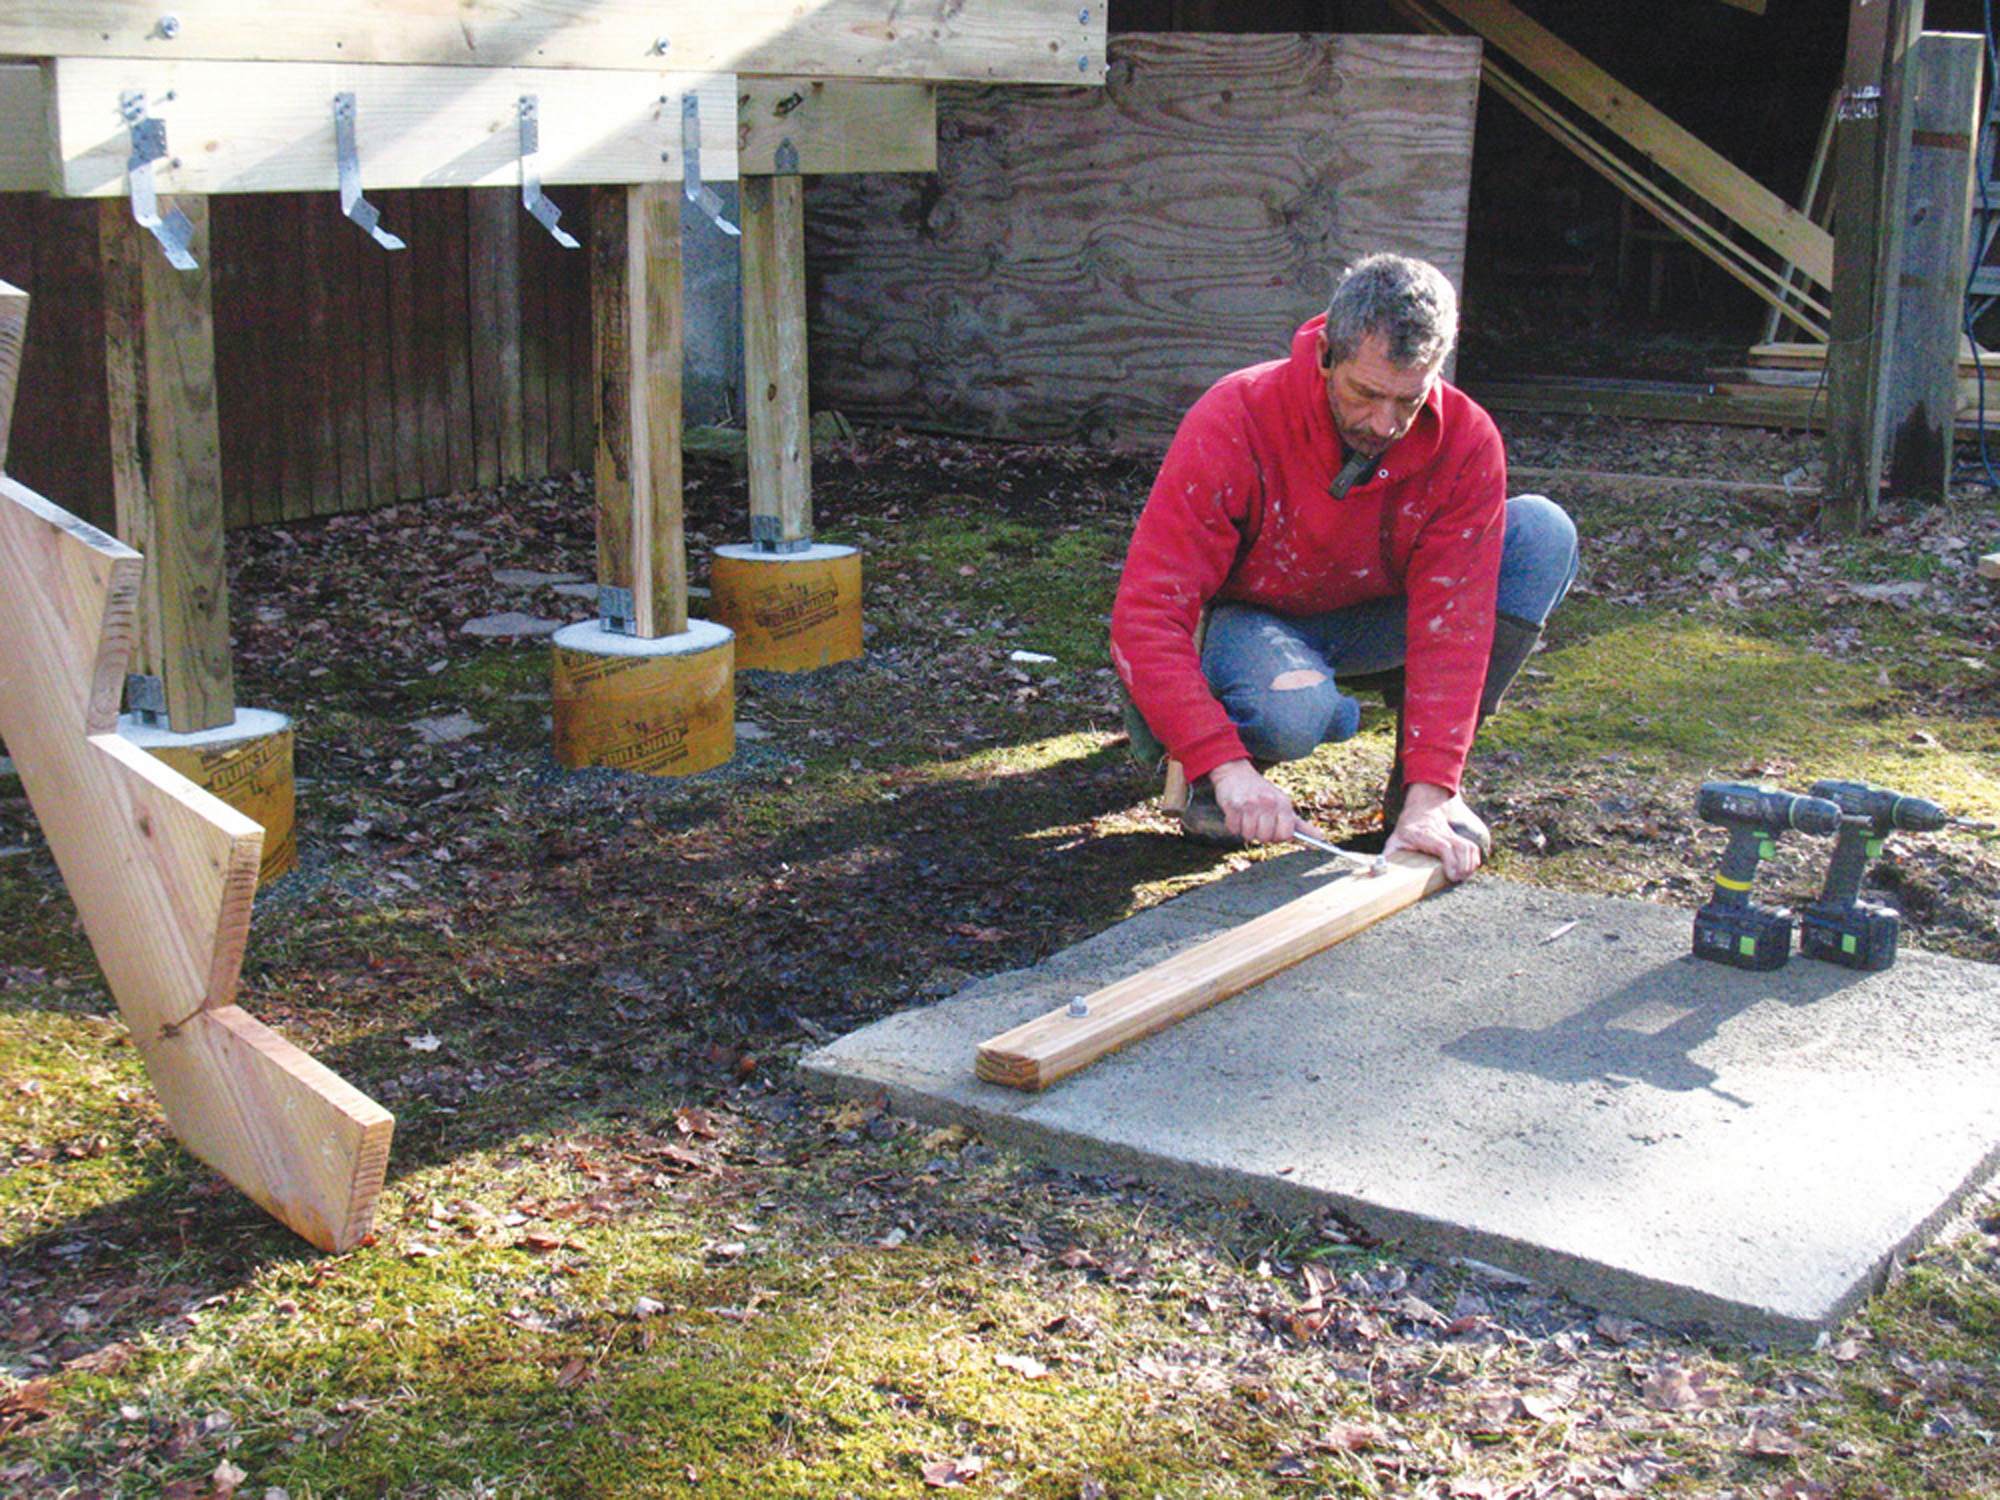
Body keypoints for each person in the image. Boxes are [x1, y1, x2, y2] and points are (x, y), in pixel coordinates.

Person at [1110, 252, 1577, 884]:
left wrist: (1433, 785)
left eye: (1408, 399)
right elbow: (1146, 614)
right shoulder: (1237, 415)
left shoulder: (1466, 440)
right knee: (1291, 719)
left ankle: (1418, 793)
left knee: (1541, 534)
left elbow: (1455, 623)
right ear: (1327, 353)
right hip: (1259, 619)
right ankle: (1230, 774)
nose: (1384, 423)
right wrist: (1220, 761)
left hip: (1379, 615)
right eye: (1366, 394)